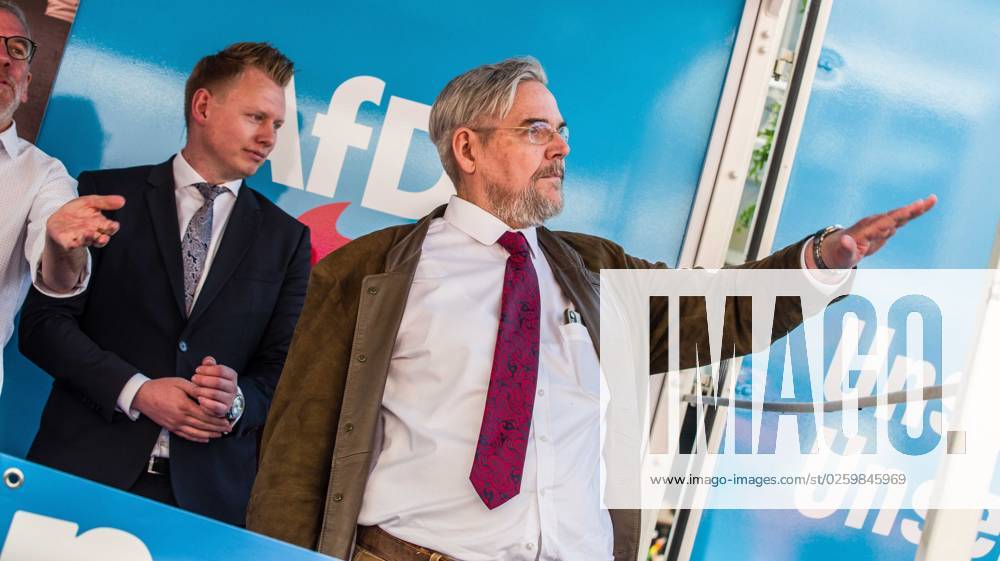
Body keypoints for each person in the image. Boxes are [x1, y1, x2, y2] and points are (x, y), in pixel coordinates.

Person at [246, 57, 935, 560]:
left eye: (562, 131)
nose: (562, 148)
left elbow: (712, 315)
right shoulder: (364, 272)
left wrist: (817, 263)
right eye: (536, 130)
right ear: (468, 147)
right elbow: (296, 454)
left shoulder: (593, 269)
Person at [18, 42, 311, 526]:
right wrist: (137, 391)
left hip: (204, 507)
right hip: (79, 476)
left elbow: (282, 371)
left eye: (276, 126)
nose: (268, 138)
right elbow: (44, 326)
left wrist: (235, 401)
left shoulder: (288, 240)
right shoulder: (104, 195)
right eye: (256, 117)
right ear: (202, 106)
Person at [0, 0, 124, 394]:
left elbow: (59, 277)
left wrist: (61, 244)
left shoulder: (45, 176)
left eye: (16, 49)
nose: (4, 58)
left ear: (27, 84)